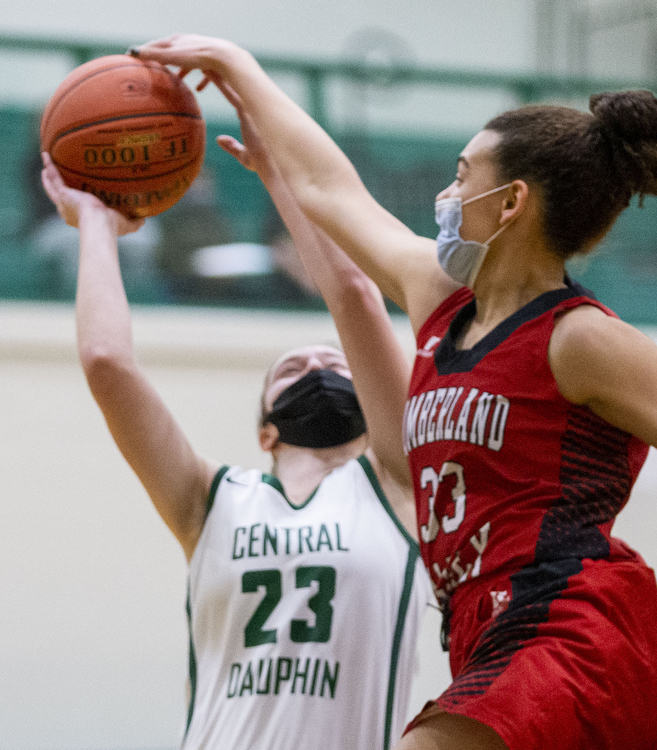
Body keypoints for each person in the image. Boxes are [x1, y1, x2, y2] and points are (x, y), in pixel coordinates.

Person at [131, 35, 657, 750]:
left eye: (461, 174)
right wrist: (237, 67)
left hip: (571, 634)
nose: (445, 192)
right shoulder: (440, 299)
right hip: (482, 639)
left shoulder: (583, 341)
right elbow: (327, 191)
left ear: (510, 203)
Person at [40, 127, 432, 749]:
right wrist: (93, 219)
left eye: (335, 366)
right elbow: (107, 361)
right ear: (264, 429)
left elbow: (354, 294)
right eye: (294, 369)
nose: (319, 369)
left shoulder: (399, 487)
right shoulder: (211, 500)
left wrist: (278, 177)